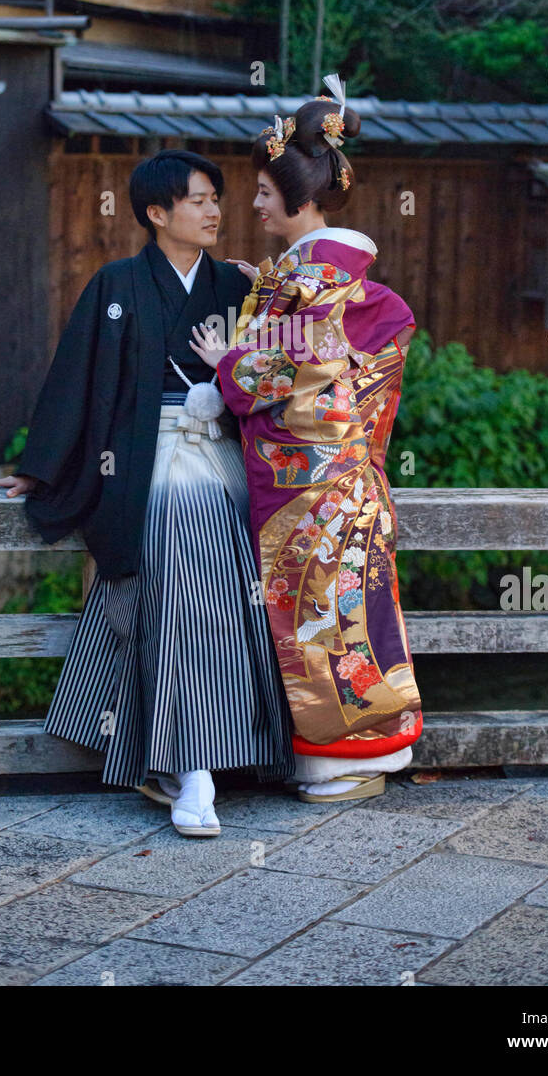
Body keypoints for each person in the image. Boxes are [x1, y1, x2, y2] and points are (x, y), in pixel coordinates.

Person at [0, 150, 296, 836]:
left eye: (218, 198)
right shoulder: (116, 284)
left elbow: (280, 385)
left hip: (219, 454)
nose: (215, 211)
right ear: (157, 213)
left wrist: (240, 366)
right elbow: (75, 378)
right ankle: (196, 768)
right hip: (142, 455)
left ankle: (189, 761)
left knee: (210, 585)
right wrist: (38, 468)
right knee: (178, 551)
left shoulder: (241, 287)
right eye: (199, 200)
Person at [190, 76, 423, 803]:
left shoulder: (317, 273)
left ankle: (345, 759)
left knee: (323, 620)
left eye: (262, 192)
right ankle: (361, 752)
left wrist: (225, 366)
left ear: (300, 199)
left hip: (313, 485)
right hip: (337, 476)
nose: (253, 204)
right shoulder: (316, 271)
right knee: (343, 616)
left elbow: (302, 362)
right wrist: (262, 290)